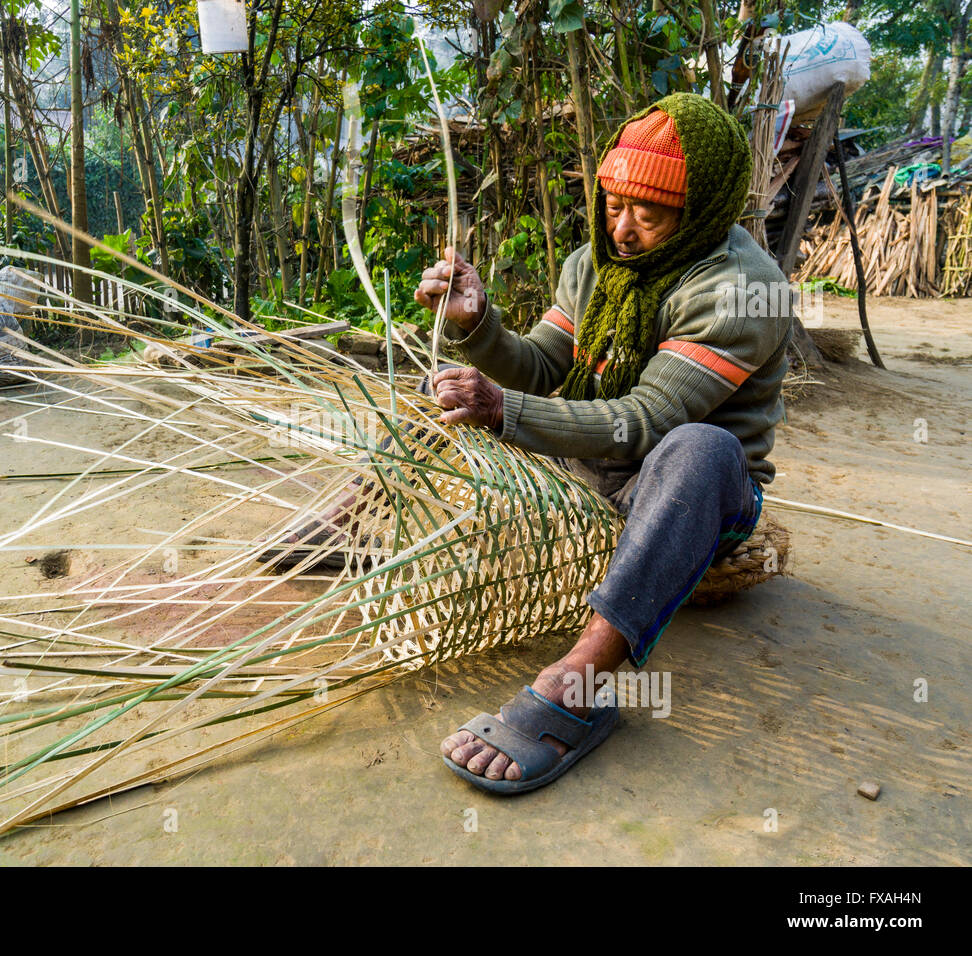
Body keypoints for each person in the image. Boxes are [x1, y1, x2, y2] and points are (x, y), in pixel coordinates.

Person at [266, 92, 795, 794]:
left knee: (700, 446)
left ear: (702, 210)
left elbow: (642, 422)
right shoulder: (594, 265)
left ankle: (580, 680)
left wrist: (504, 410)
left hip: (679, 495)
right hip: (587, 465)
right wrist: (477, 326)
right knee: (450, 389)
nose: (625, 229)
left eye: (651, 212)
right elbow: (547, 364)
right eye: (615, 204)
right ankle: (351, 521)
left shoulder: (741, 289)